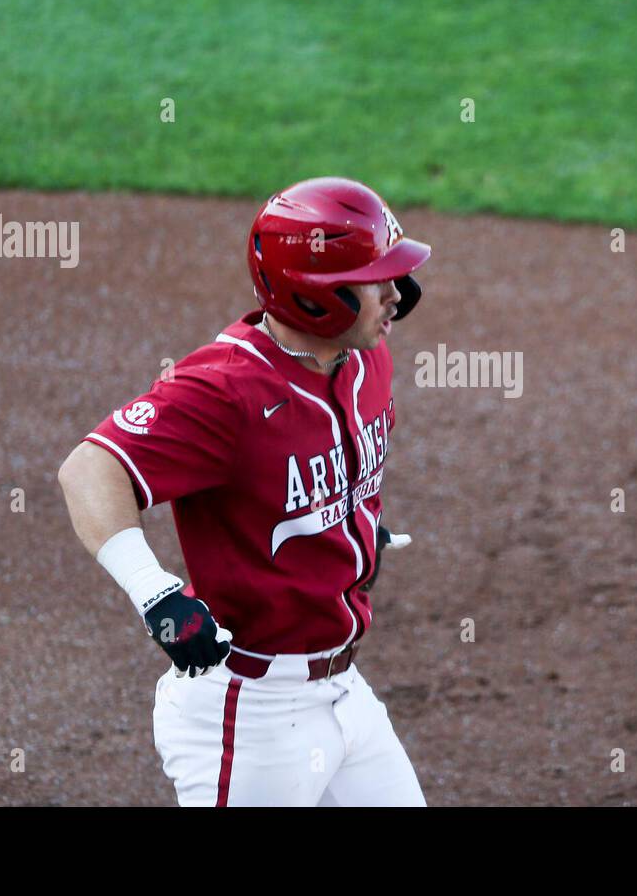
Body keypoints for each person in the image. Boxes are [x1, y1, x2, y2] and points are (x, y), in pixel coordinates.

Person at [57, 177, 429, 806]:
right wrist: (156, 595)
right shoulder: (224, 391)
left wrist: (347, 526)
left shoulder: (364, 360)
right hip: (249, 714)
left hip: (343, 691)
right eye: (376, 279)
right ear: (317, 297)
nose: (398, 294)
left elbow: (312, 470)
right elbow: (90, 469)